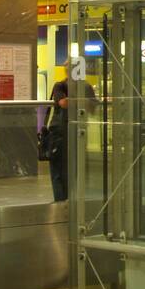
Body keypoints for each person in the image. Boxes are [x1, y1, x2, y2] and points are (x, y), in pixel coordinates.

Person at [45, 68, 97, 203]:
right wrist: (82, 101)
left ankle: (63, 201)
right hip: (64, 132)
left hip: (66, 133)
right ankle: (66, 200)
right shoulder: (73, 86)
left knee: (62, 170)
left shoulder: (71, 86)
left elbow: (91, 107)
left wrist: (71, 100)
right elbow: (64, 103)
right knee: (65, 169)